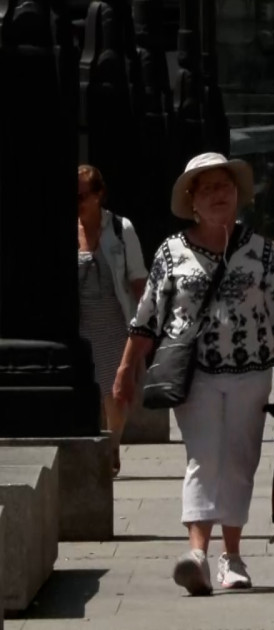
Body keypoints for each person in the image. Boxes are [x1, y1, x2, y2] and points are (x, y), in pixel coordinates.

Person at [114, 153, 274, 595]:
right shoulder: (170, 251)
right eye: (207, 189)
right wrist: (127, 369)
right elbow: (147, 318)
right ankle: (197, 554)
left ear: (238, 195)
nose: (218, 194)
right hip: (194, 375)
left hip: (253, 374)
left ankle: (232, 557)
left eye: (225, 186)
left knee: (240, 462)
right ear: (192, 201)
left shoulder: (261, 252)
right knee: (203, 458)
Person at [77, 165, 147, 477]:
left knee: (114, 393)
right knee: (86, 390)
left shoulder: (120, 229)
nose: (76, 202)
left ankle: (112, 444)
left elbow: (138, 282)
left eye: (81, 196)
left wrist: (146, 327)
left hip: (115, 319)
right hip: (79, 322)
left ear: (98, 195)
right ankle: (98, 445)